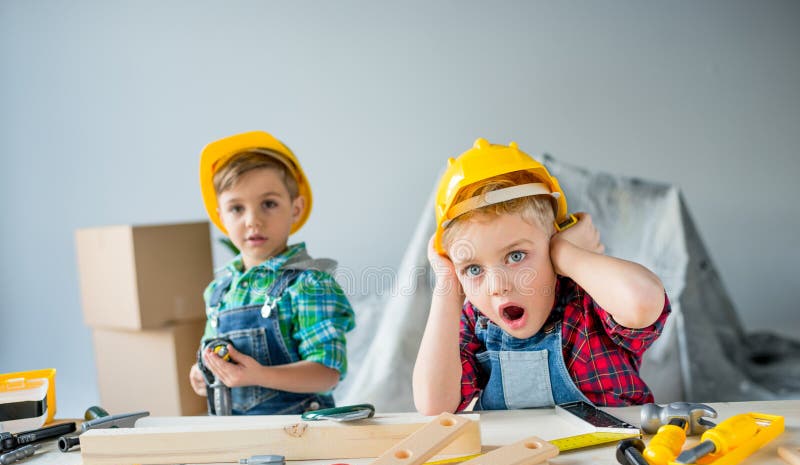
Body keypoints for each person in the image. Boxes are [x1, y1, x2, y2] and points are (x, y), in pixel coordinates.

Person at [413, 138, 670, 414]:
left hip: (613, 454)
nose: (498, 286)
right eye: (473, 269)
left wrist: (564, 253)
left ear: (551, 242)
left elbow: (643, 302)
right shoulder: (477, 322)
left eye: (516, 256)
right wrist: (448, 285)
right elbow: (434, 405)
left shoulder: (589, 299)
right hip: (523, 456)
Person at [189, 131, 355, 415]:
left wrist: (257, 376)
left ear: (295, 208)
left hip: (299, 435)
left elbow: (327, 373)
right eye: (237, 208)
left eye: (268, 203)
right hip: (234, 437)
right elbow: (216, 353)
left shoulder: (309, 283)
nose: (253, 220)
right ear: (221, 216)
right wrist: (204, 371)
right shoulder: (219, 291)